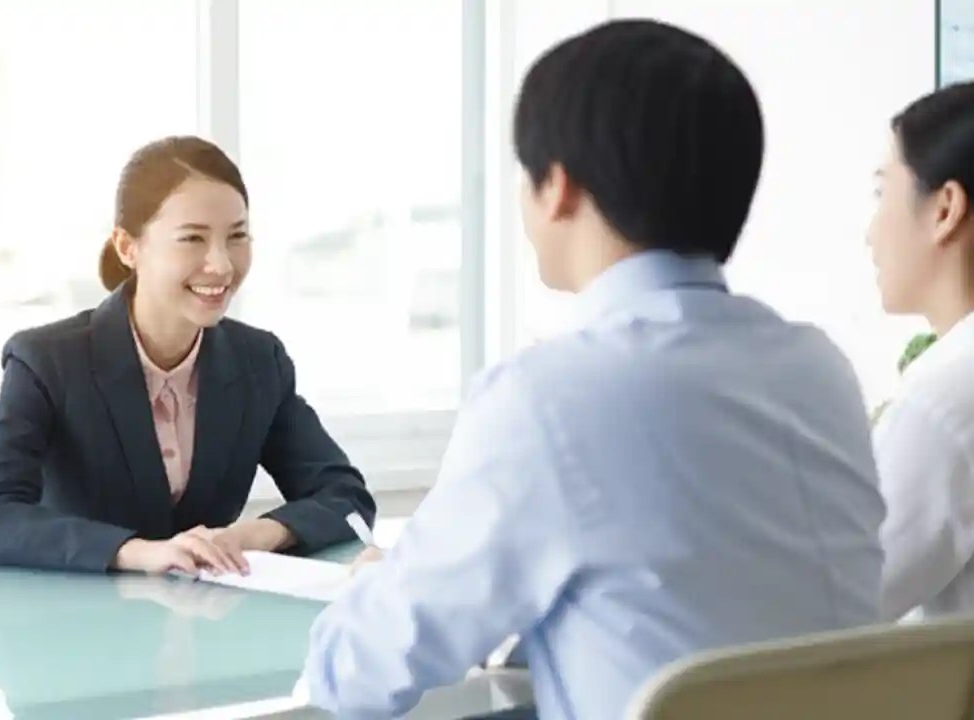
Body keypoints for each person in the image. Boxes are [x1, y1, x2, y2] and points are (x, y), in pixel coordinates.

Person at [300, 19, 884, 719]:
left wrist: (375, 586)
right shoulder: (819, 371)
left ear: (559, 187)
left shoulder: (548, 398)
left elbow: (356, 677)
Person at [0, 136, 376, 575]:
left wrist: (248, 537)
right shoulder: (47, 361)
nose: (222, 265)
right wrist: (137, 552)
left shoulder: (258, 362)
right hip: (76, 610)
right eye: (192, 238)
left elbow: (344, 497)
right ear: (128, 247)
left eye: (237, 236)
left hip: (208, 608)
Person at [868, 82, 974, 619]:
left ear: (945, 210)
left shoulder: (952, 397)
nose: (870, 233)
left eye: (881, 193)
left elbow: (833, 599)